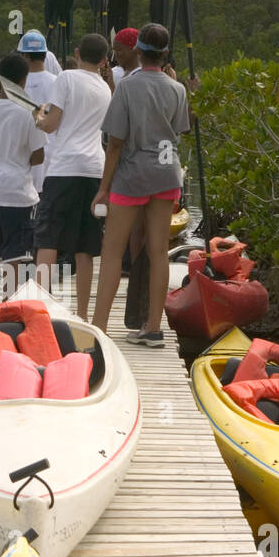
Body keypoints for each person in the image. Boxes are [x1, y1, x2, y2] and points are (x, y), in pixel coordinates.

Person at [91, 23, 190, 344]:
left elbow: (115, 143)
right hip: (166, 173)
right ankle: (152, 328)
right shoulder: (177, 88)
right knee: (159, 252)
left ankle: (99, 329)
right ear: (165, 53)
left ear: (139, 50)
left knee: (111, 252)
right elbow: (176, 131)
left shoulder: (128, 88)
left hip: (132, 175)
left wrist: (103, 189)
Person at [32, 33, 111, 320]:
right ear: (104, 60)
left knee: (48, 238)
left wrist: (37, 116)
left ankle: (41, 309)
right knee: (85, 245)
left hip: (64, 166)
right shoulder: (105, 88)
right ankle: (82, 314)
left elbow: (50, 125)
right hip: (93, 169)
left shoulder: (65, 78)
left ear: (77, 53)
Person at [0, 51, 46, 300]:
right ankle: (9, 299)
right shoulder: (29, 113)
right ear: (24, 81)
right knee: (15, 253)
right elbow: (39, 157)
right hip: (16, 191)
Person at [18, 29, 58, 193]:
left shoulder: (17, 84)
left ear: (25, 56)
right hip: (52, 158)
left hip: (24, 158)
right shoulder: (58, 82)